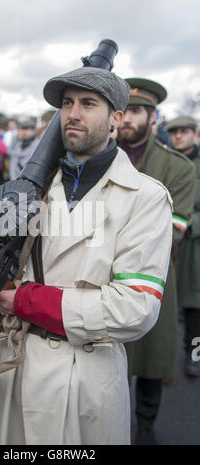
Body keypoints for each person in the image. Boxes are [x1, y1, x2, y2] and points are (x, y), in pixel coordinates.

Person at [0, 67, 173, 445]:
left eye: (88, 104)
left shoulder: (146, 198)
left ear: (116, 117)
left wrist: (26, 300)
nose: (73, 113)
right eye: (67, 103)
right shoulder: (25, 192)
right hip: (11, 377)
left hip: (82, 382)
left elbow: (136, 308)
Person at [117, 79, 196, 445]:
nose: (128, 119)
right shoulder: (97, 157)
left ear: (153, 117)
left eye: (137, 111)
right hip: (97, 282)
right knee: (105, 365)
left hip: (153, 281)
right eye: (125, 110)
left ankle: (145, 427)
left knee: (151, 362)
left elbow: (173, 231)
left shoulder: (177, 167)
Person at [166, 116, 200, 377]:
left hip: (193, 244)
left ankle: (194, 355)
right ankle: (162, 362)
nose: (179, 136)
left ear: (193, 133)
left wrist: (190, 223)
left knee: (194, 307)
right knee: (165, 306)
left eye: (184, 131)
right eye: (174, 132)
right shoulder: (165, 162)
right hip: (166, 240)